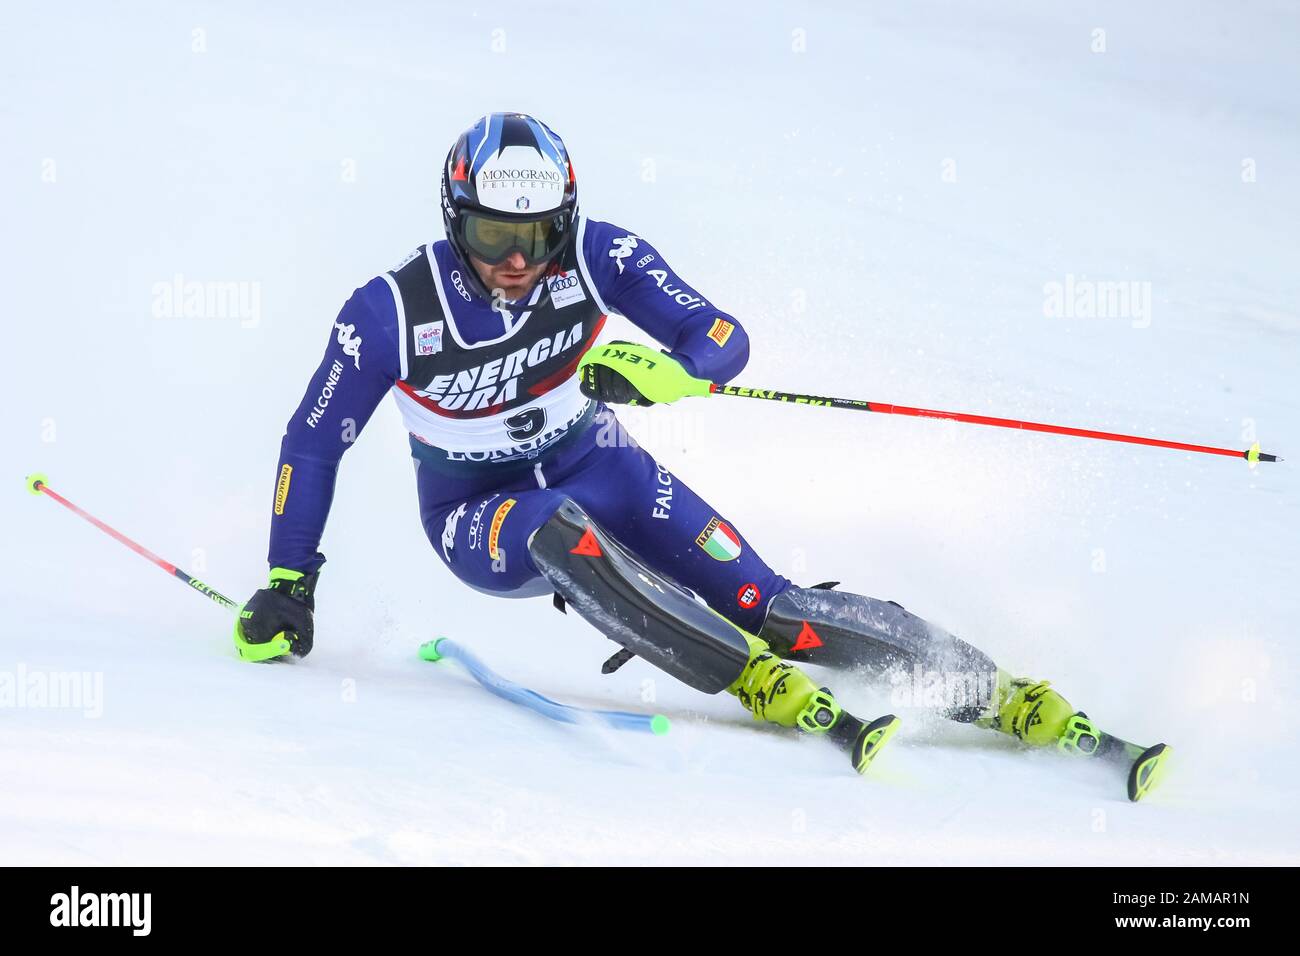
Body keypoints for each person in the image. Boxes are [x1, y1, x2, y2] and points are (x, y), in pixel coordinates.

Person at [233, 112, 1143, 779]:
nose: (518, 260)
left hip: (604, 462)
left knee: (770, 600)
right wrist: (288, 585)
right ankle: (744, 677)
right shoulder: (392, 311)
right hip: (478, 511)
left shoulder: (595, 255)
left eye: (538, 235)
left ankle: (998, 691)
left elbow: (720, 335)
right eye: (493, 234)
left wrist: (670, 368)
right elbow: (313, 443)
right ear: (453, 218)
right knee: (553, 524)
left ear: (568, 219)